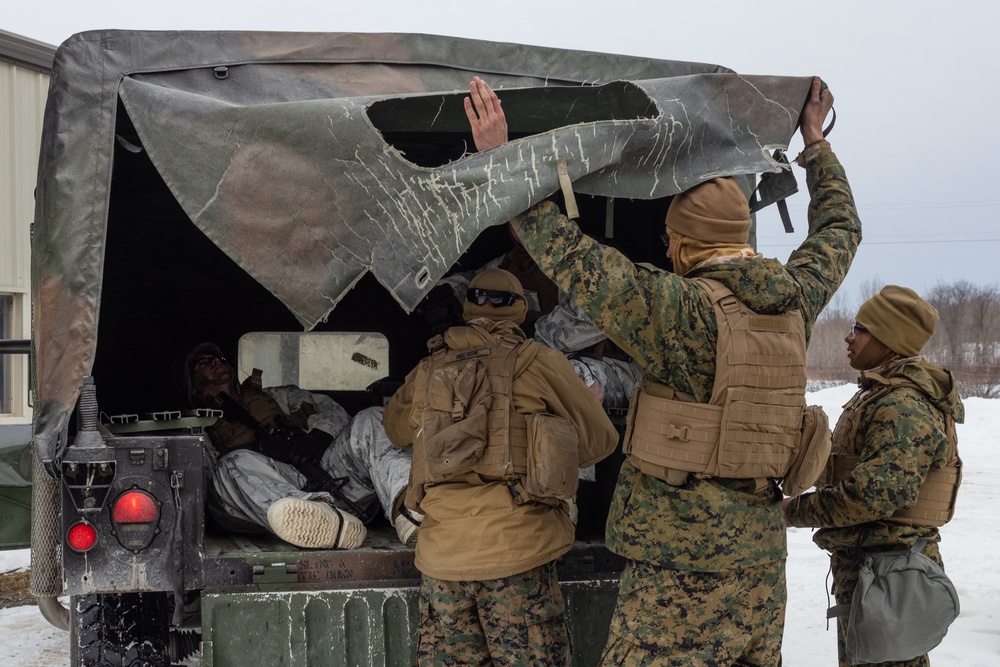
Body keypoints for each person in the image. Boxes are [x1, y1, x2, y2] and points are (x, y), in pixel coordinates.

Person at [469, 75, 859, 664]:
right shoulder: (795, 300)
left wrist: (501, 160)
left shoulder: (678, 311)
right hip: (760, 568)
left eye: (672, 243)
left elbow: (566, 252)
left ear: (684, 245)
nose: (669, 252)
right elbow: (840, 230)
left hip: (679, 570)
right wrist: (817, 146)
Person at [383, 268, 619, 666]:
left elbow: (394, 429)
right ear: (521, 312)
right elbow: (601, 442)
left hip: (444, 558)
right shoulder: (540, 362)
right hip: (517, 554)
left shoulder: (430, 367)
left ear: (468, 307)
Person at [783, 286, 964, 667]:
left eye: (860, 329)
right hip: (875, 568)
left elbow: (875, 495)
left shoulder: (903, 406)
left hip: (891, 574)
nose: (849, 337)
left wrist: (792, 512)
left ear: (888, 338)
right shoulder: (881, 395)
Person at [184, 342, 419, 550]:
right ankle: (315, 518)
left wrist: (318, 436)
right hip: (268, 505)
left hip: (327, 477)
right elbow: (207, 491)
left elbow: (333, 411)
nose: (216, 362)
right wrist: (259, 452)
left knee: (372, 417)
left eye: (219, 359)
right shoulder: (199, 428)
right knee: (230, 465)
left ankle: (410, 509)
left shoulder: (278, 396)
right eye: (204, 362)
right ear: (194, 387)